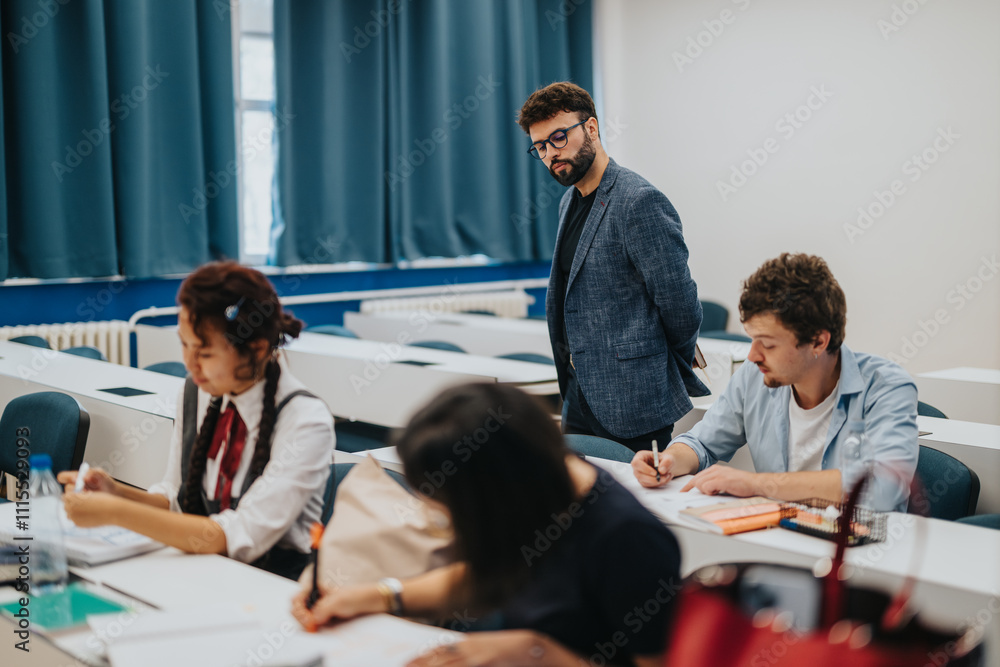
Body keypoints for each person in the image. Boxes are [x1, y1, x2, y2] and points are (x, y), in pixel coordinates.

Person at [292, 383, 681, 667]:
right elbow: (487, 574)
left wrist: (535, 651)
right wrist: (376, 595)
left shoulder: (628, 540)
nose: (453, 521)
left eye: (453, 507)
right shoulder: (543, 487)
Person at [59, 261, 335, 579]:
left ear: (257, 349)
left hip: (271, 586)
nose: (189, 364)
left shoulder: (305, 421)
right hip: (203, 571)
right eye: (184, 344)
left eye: (204, 353)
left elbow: (236, 535)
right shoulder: (197, 393)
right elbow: (177, 498)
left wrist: (117, 512)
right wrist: (117, 494)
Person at [632, 253, 918, 512]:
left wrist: (758, 484)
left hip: (860, 553)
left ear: (818, 341)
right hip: (779, 538)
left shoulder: (887, 387)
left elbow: (884, 488)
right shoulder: (755, 376)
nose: (753, 355)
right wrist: (669, 461)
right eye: (752, 339)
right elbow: (702, 444)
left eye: (768, 345)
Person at [517, 82, 707, 454]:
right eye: (540, 146)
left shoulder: (638, 201)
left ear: (591, 128)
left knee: (635, 508)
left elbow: (681, 307)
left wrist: (653, 365)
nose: (550, 154)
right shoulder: (568, 201)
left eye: (558, 138)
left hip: (633, 398)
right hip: (577, 389)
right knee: (577, 504)